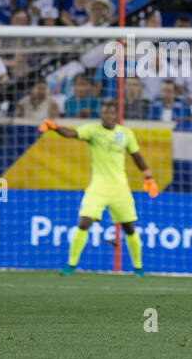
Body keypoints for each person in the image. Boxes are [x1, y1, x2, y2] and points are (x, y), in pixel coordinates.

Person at [38, 104, 158, 276]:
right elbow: (72, 133)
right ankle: (71, 265)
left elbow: (136, 155)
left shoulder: (126, 134)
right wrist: (55, 127)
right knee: (84, 222)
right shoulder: (92, 131)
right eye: (105, 112)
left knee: (129, 228)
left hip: (120, 188)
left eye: (111, 112)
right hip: (98, 186)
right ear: (100, 115)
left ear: (116, 115)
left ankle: (138, 268)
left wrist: (148, 176)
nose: (108, 115)